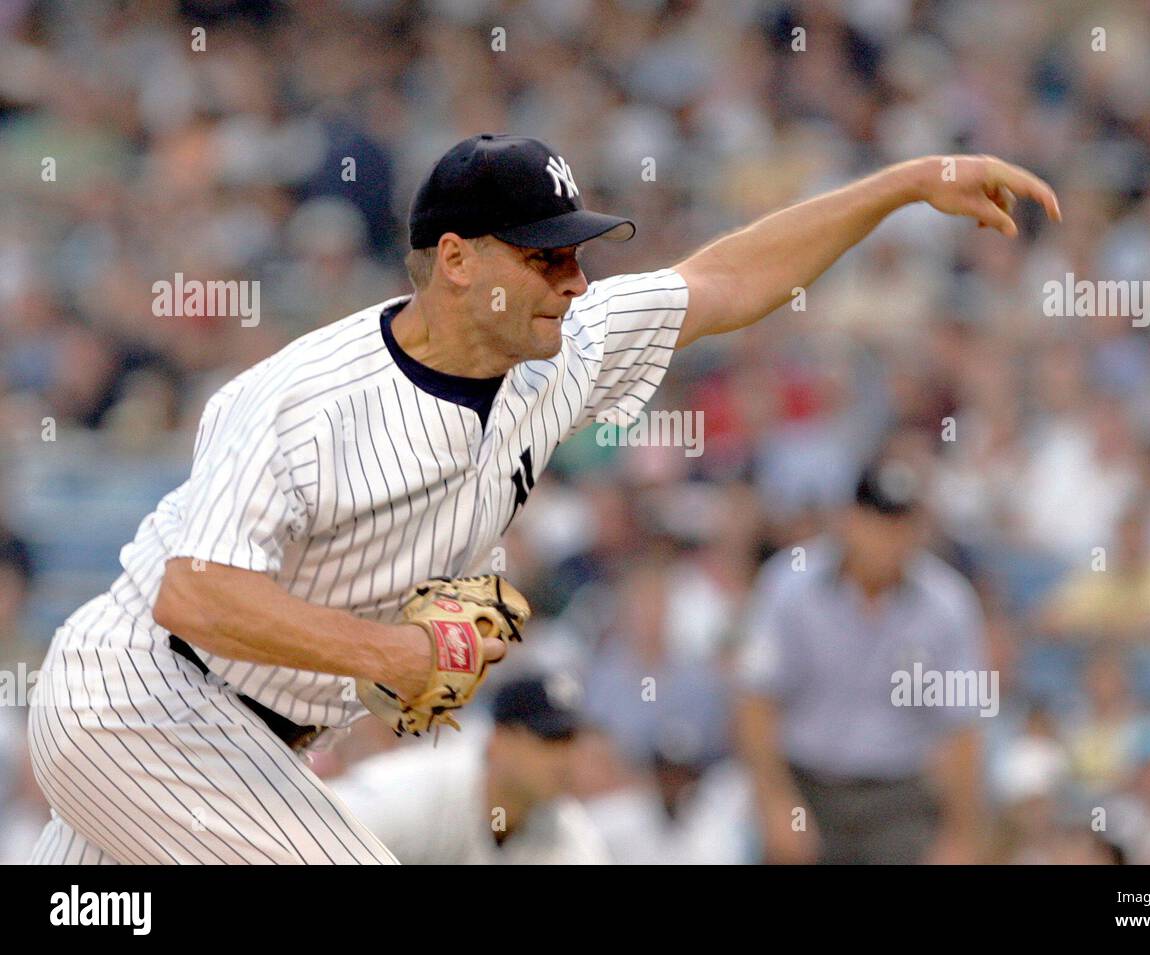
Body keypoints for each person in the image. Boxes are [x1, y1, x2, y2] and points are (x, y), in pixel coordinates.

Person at [28, 132, 1060, 864]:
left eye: (574, 253)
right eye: (543, 255)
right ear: (456, 260)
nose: (571, 280)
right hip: (146, 701)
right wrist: (389, 652)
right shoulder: (301, 399)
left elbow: (726, 284)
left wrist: (905, 183)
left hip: (251, 734)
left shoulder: (553, 361)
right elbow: (193, 595)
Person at [736, 457, 992, 864]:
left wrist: (960, 834)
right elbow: (755, 701)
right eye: (877, 521)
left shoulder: (948, 604)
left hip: (898, 796)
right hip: (807, 785)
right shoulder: (789, 584)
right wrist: (774, 801)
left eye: (900, 525)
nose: (889, 538)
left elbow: (962, 729)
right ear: (849, 520)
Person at [330, 674, 608, 864]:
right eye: (550, 739)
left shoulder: (565, 827)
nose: (565, 758)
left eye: (572, 741)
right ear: (498, 741)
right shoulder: (417, 788)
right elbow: (312, 838)